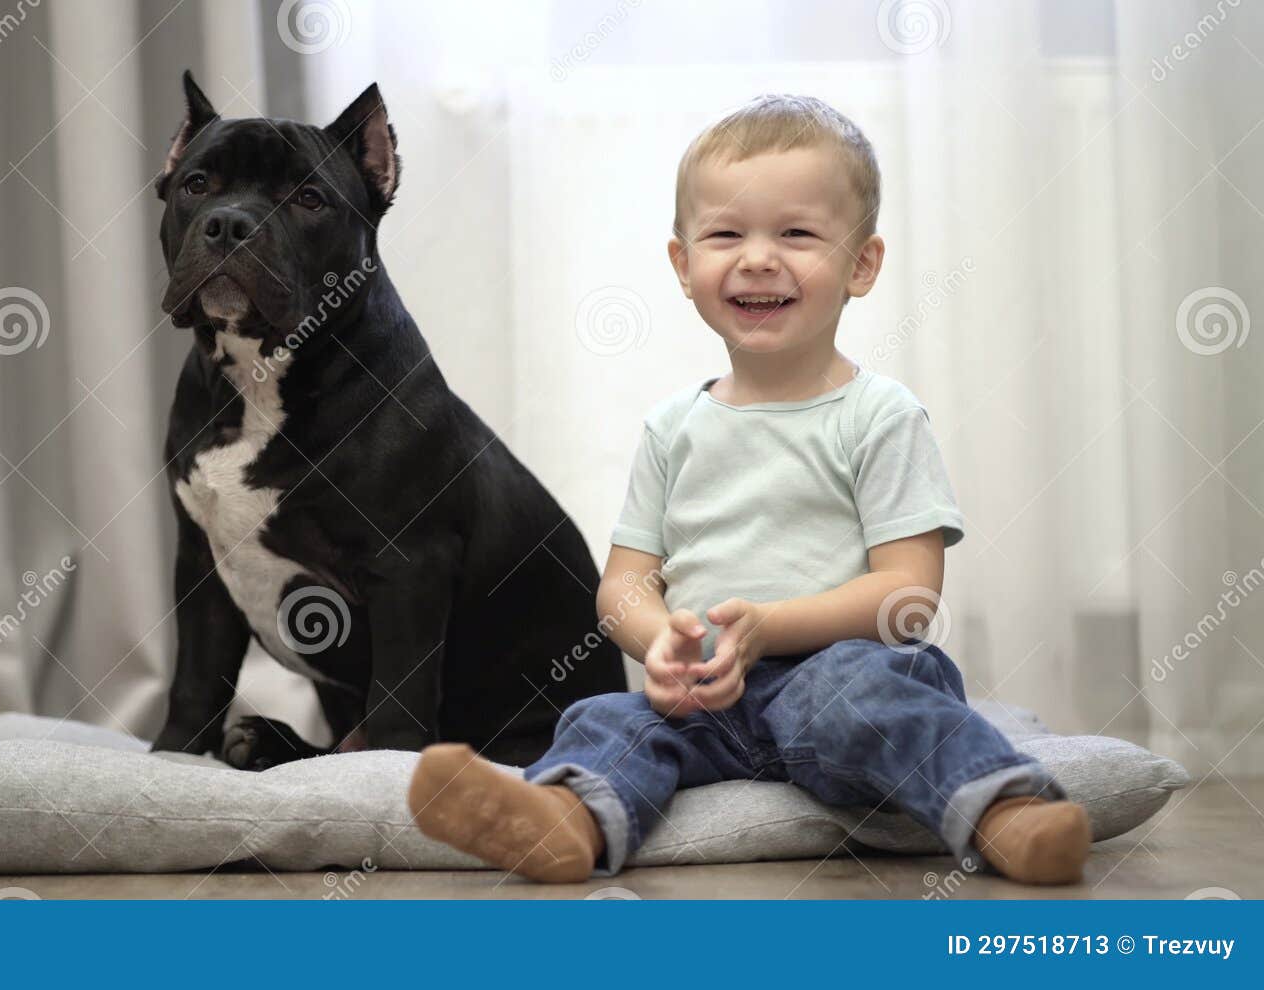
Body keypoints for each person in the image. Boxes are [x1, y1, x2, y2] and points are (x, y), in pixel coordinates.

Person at [406, 94, 1091, 885]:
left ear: (861, 264)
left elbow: (909, 593)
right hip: (707, 704)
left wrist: (770, 627)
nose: (758, 258)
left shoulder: (879, 415)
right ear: (683, 265)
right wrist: (659, 641)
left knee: (864, 697)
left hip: (845, 672)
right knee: (604, 719)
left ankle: (1006, 812)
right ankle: (566, 822)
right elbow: (625, 585)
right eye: (726, 234)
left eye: (796, 234)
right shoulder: (673, 428)